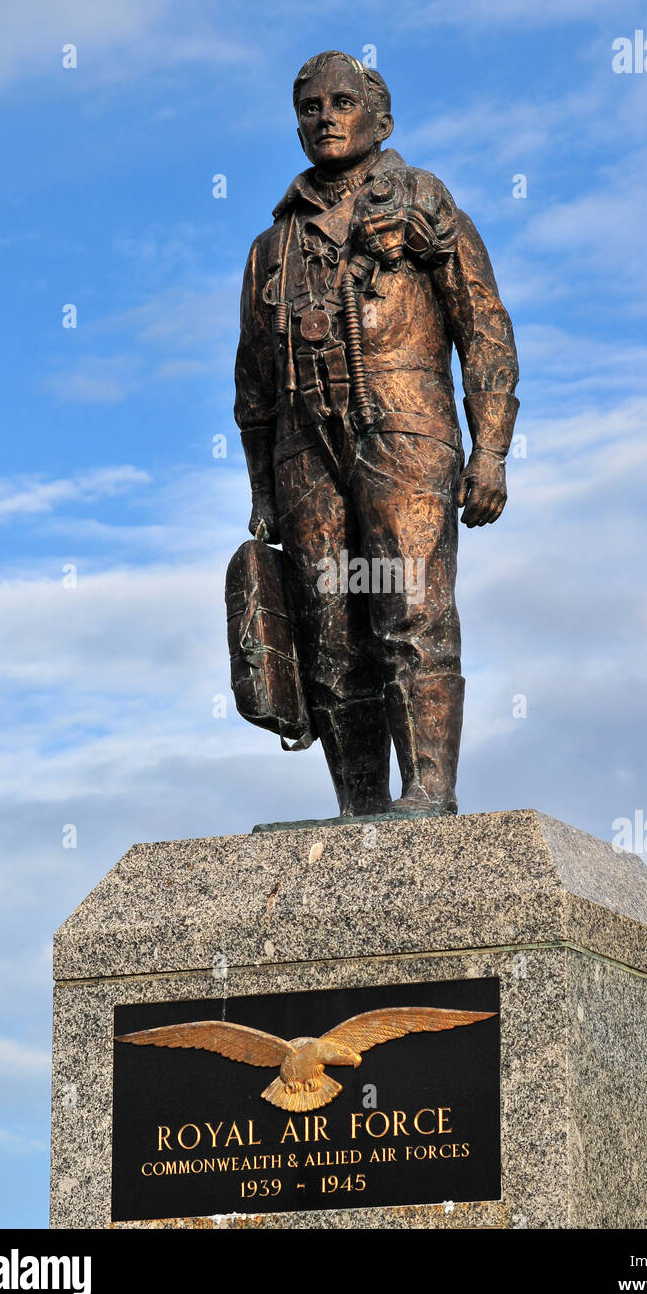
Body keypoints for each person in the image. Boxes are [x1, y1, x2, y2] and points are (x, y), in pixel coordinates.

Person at [235, 51, 519, 818]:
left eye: (340, 102)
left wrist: (489, 450)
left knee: (409, 608)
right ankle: (359, 806)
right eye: (308, 107)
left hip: (405, 426)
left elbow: (484, 332)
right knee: (330, 630)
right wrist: (263, 493)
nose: (323, 116)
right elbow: (253, 391)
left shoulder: (426, 206)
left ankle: (428, 789)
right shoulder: (270, 249)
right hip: (304, 450)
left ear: (380, 121)